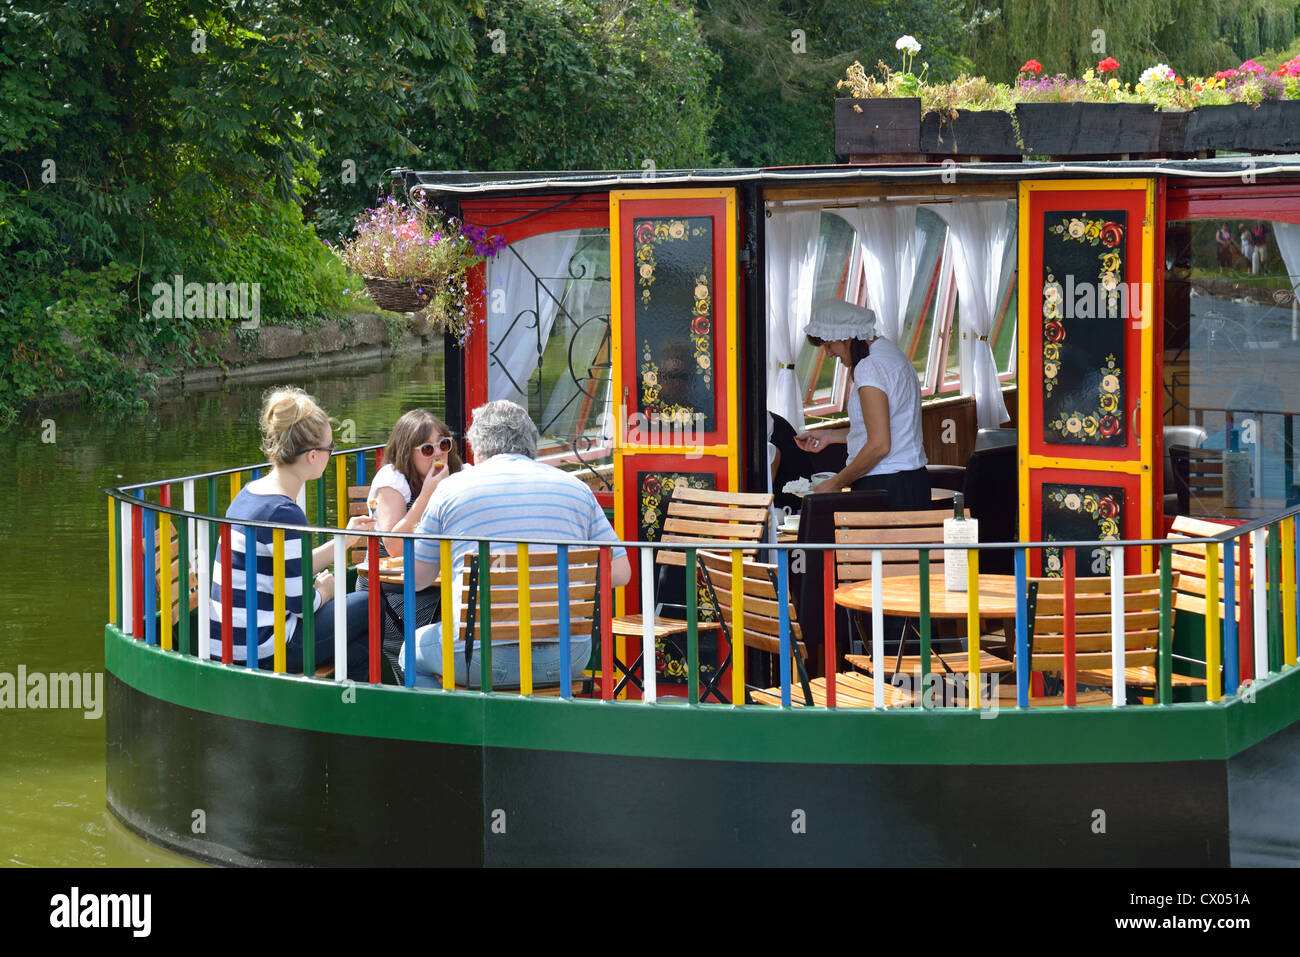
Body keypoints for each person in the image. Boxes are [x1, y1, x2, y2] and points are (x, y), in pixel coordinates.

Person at [407, 400, 631, 687]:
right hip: (567, 657)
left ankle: (453, 728)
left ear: (477, 446)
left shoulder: (450, 489)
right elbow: (621, 573)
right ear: (531, 444)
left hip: (477, 658)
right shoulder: (577, 489)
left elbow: (417, 579)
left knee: (407, 653)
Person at [210, 386, 375, 676]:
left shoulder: (250, 494)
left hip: (230, 643)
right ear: (312, 455)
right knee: (370, 602)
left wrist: (344, 541)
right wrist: (325, 591)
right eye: (330, 448)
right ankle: (351, 709)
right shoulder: (284, 513)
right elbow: (301, 604)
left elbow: (285, 566)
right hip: (263, 649)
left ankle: (339, 703)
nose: (331, 454)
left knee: (358, 644)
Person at [794, 299, 930, 508]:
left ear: (847, 335)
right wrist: (830, 436)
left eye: (829, 344)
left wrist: (836, 483)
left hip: (884, 486)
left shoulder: (869, 367)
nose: (828, 353)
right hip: (911, 482)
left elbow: (879, 445)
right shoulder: (892, 355)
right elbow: (884, 427)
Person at [367, 409, 464, 559]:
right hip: (390, 578)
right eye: (427, 449)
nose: (438, 453)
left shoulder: (460, 474)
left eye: (443, 444)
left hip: (438, 573)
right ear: (407, 453)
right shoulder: (392, 480)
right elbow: (395, 548)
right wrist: (427, 495)